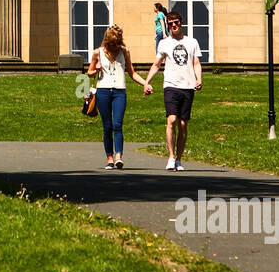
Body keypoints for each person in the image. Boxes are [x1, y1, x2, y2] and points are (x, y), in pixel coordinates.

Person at [86, 24, 153, 170]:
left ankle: (118, 157)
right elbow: (89, 72)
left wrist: (145, 84)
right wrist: (95, 70)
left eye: (117, 43)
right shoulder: (98, 53)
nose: (115, 46)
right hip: (103, 91)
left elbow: (132, 73)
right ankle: (109, 158)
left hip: (119, 92)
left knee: (118, 124)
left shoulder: (124, 51)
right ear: (107, 41)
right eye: (112, 44)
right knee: (107, 126)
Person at [147, 10, 202, 171]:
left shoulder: (192, 42)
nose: (173, 26)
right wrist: (147, 82)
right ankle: (171, 157)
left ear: (181, 22)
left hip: (188, 86)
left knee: (183, 124)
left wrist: (199, 79)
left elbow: (196, 63)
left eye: (176, 22)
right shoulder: (164, 43)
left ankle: (179, 159)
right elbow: (157, 64)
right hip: (171, 85)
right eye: (170, 24)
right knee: (172, 120)